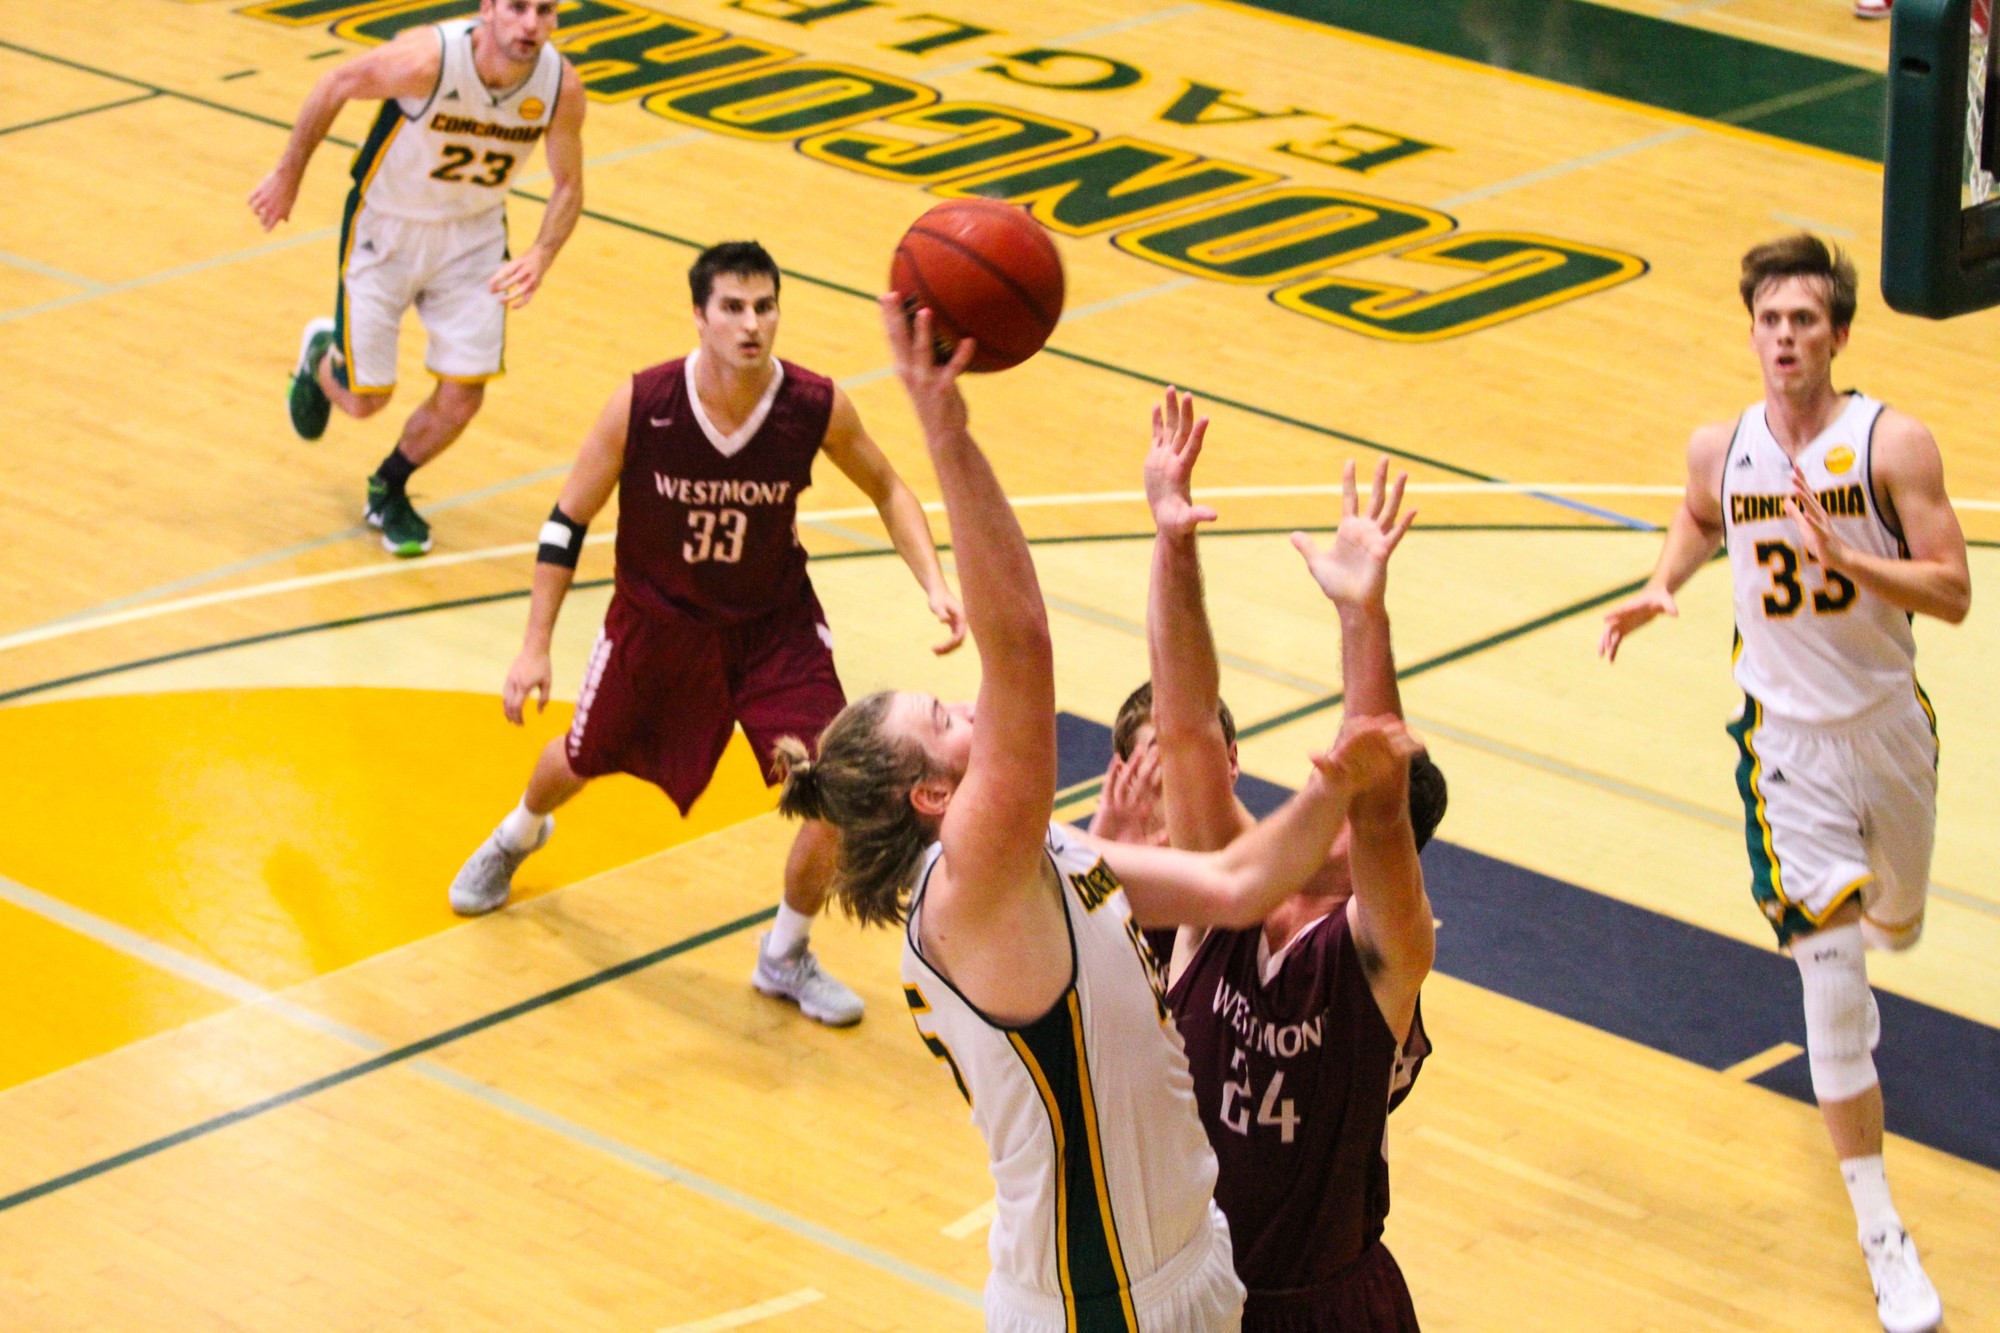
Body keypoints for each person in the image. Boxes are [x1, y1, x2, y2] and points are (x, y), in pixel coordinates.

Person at [774, 296, 1422, 1332]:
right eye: (944, 718)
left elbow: (1234, 882)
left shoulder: (1049, 853)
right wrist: (944, 429)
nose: (971, 702)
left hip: (1188, 1268)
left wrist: (1336, 782)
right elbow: (1020, 645)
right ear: (932, 797)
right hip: (1101, 1305)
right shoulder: (970, 885)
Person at [445, 241, 967, 1029]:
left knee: (834, 786)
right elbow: (566, 521)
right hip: (658, 626)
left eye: (765, 306)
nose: (751, 323)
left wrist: (933, 580)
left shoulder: (814, 404)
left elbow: (889, 485)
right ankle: (517, 832)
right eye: (733, 307)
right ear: (699, 316)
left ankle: (784, 953)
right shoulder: (643, 402)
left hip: (771, 628)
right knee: (585, 755)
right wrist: (533, 644)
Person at [1600, 234, 1970, 1333]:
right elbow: (1699, 518)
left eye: (1804, 320)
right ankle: (1882, 1240)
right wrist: (1664, 583)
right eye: (1767, 320)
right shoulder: (1722, 448)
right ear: (1750, 331)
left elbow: (1950, 592)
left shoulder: (1890, 443)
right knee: (1836, 988)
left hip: (1889, 730)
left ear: (1838, 335)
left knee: (1890, 915)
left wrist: (1851, 560)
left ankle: (1883, 913)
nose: (1783, 338)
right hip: (1782, 751)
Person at [1116, 389, 1448, 1331]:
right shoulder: (1219, 891)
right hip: (1190, 1298)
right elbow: (1185, 729)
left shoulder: (1387, 951)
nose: (1315, 783)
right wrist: (1172, 540)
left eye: (1341, 782)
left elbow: (1380, 805)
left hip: (1323, 1307)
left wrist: (1361, 614)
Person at [248, 0, 586, 557]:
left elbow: (569, 184)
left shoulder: (559, 87)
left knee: (464, 395)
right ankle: (318, 359)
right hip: (386, 228)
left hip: (473, 241)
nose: (530, 24)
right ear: (489, 9)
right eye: (518, 7)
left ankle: (390, 486)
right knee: (363, 401)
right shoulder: (429, 58)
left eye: (544, 11)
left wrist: (542, 253)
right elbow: (335, 83)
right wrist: (288, 174)